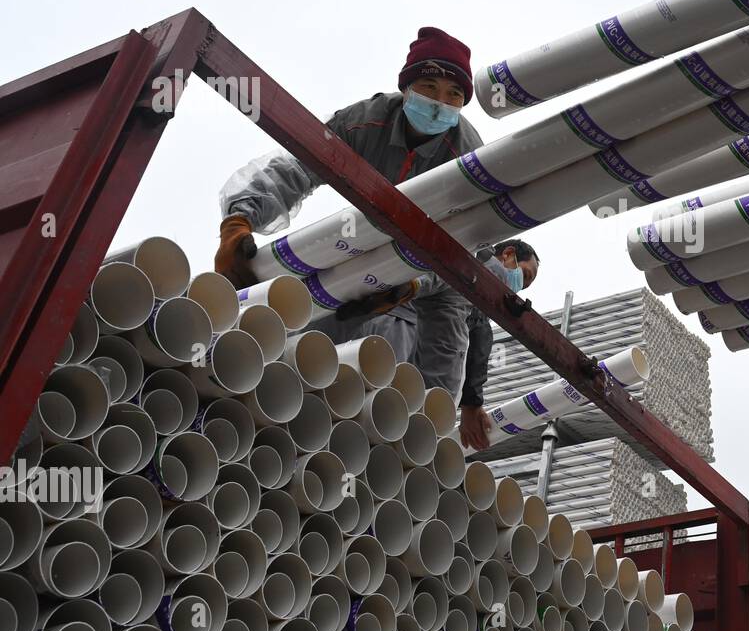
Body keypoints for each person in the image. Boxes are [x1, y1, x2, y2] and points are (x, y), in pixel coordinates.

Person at [214, 26, 500, 449]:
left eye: (454, 95)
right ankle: (285, 408)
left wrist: (416, 284)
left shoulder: (467, 153)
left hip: (440, 269)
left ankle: (420, 449)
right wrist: (239, 220)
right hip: (365, 243)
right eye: (428, 87)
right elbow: (297, 169)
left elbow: (468, 253)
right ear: (405, 88)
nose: (440, 104)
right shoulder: (366, 123)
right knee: (321, 313)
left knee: (437, 373)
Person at [459, 239, 540, 448]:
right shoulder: (482, 273)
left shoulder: (468, 256)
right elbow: (479, 331)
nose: (519, 289)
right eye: (525, 276)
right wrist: (471, 403)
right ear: (508, 255)